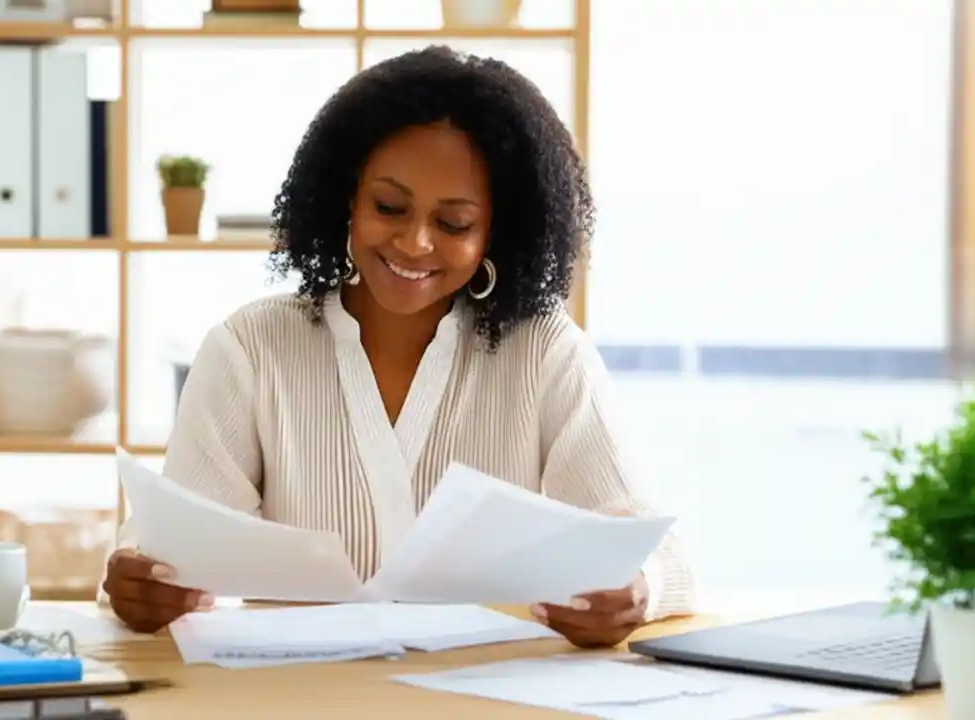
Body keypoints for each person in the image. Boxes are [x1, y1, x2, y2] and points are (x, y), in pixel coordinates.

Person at [102, 45, 695, 647]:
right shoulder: (251, 348)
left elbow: (652, 549)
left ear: (498, 230)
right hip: (292, 702)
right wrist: (142, 580)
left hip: (485, 699)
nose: (414, 243)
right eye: (390, 207)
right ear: (346, 200)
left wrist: (633, 590)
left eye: (454, 223)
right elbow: (169, 544)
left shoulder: (544, 351)